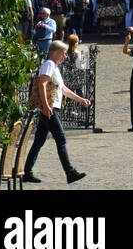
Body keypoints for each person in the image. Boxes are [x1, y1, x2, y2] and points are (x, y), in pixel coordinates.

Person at [22, 42, 88, 185]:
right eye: (63, 53)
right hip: (50, 108)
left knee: (39, 141)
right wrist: (46, 106)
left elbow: (63, 89)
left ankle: (26, 172)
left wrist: (80, 99)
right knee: (61, 139)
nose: (65, 56)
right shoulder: (49, 64)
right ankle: (70, 172)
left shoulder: (54, 67)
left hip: (51, 108)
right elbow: (42, 84)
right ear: (55, 52)